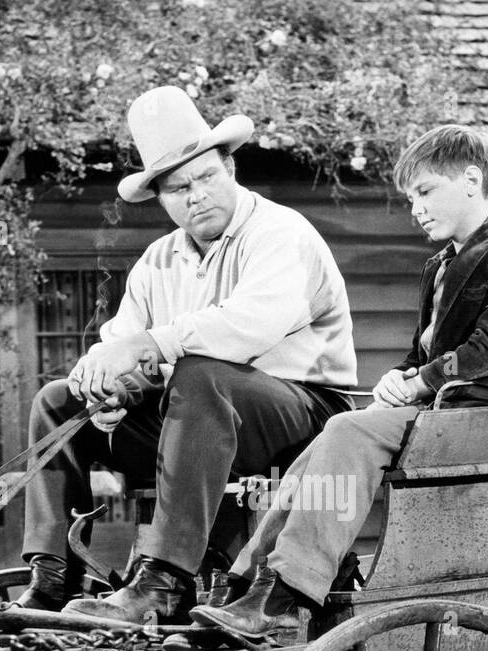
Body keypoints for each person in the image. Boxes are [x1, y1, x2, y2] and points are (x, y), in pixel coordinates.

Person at [191, 123, 488, 637]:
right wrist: (400, 377)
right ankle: (249, 582)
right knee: (319, 449)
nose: (416, 208)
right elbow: (423, 350)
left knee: (345, 430)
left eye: (425, 191)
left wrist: (418, 383)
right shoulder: (440, 264)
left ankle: (287, 595)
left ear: (471, 180)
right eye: (411, 198)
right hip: (443, 408)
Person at [18, 86, 357, 623]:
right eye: (178, 188)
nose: (195, 195)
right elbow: (123, 343)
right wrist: (108, 388)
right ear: (161, 199)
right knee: (58, 401)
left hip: (306, 418)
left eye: (206, 177)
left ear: (231, 167)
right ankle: (53, 575)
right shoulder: (158, 261)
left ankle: (165, 582)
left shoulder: (280, 233)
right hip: (200, 418)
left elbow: (250, 328)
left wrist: (148, 345)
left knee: (202, 375)